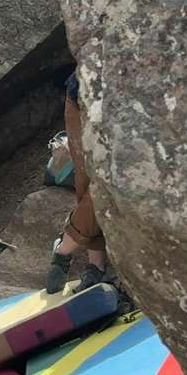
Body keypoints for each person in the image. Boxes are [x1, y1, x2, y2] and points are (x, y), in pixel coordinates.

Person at [44, 68, 108, 293]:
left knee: (103, 184)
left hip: (120, 109)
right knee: (85, 180)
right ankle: (96, 264)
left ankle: (64, 249)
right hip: (80, 97)